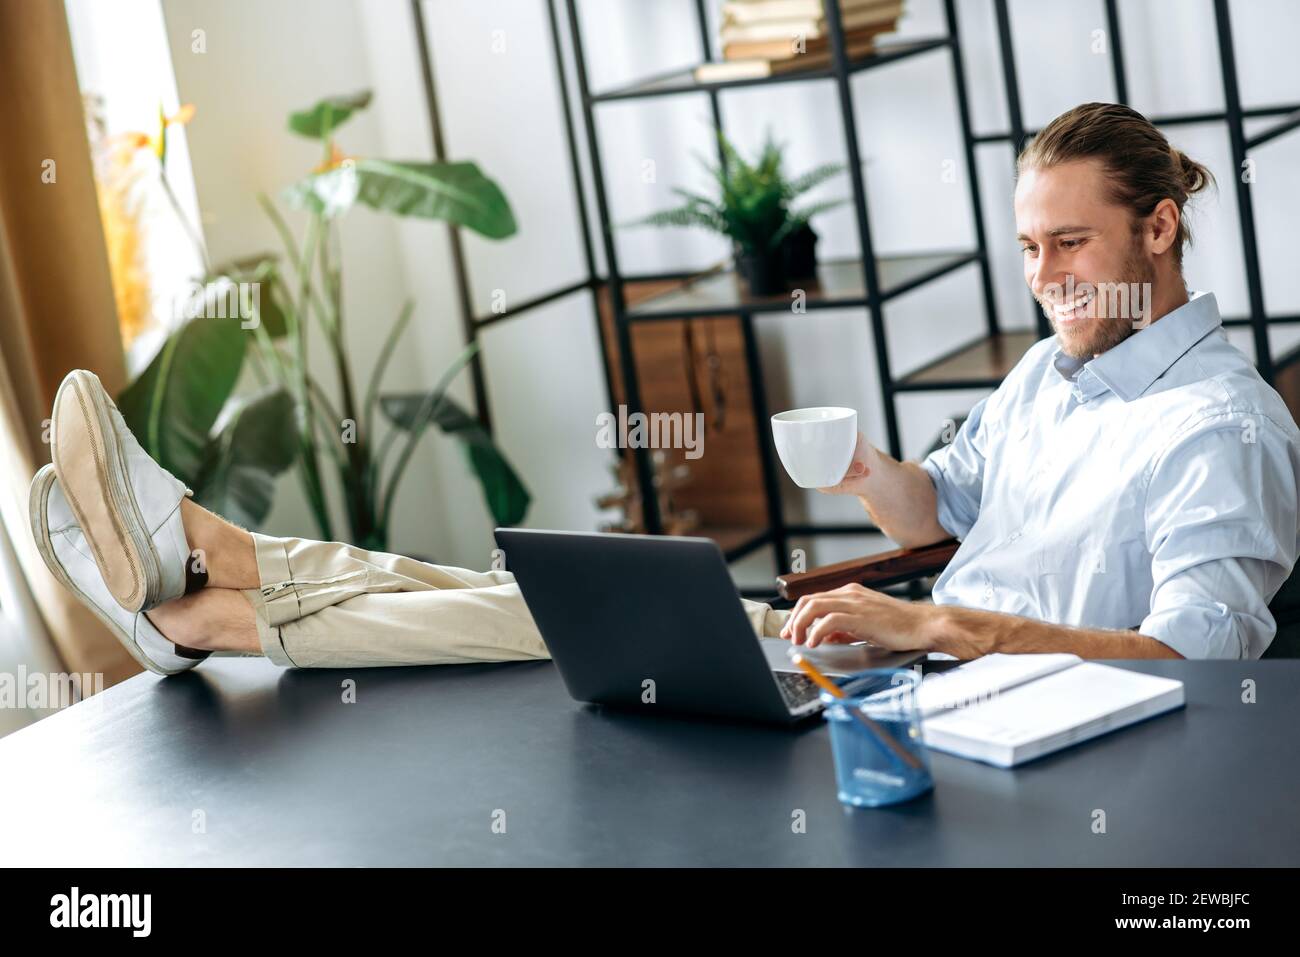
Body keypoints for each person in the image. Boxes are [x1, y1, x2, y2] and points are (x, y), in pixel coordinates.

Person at [28, 102, 1300, 673]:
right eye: (1028, 250)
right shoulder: (1047, 375)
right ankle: (218, 577)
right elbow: (941, 515)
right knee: (538, 603)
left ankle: (213, 601)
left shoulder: (1221, 429)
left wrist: (937, 629)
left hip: (982, 705)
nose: (1044, 278)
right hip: (897, 670)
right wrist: (865, 473)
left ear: (1159, 232)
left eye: (1068, 244)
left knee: (537, 635)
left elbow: (1194, 669)